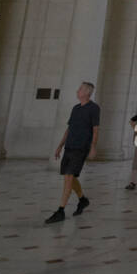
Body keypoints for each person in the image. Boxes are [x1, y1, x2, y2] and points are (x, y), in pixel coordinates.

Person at [46, 82, 100, 224]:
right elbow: (69, 128)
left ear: (87, 93)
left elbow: (95, 129)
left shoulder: (94, 108)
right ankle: (82, 199)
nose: (77, 91)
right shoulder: (75, 108)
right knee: (69, 175)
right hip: (69, 146)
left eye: (80, 89)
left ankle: (61, 210)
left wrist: (93, 147)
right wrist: (60, 146)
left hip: (81, 147)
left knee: (68, 177)